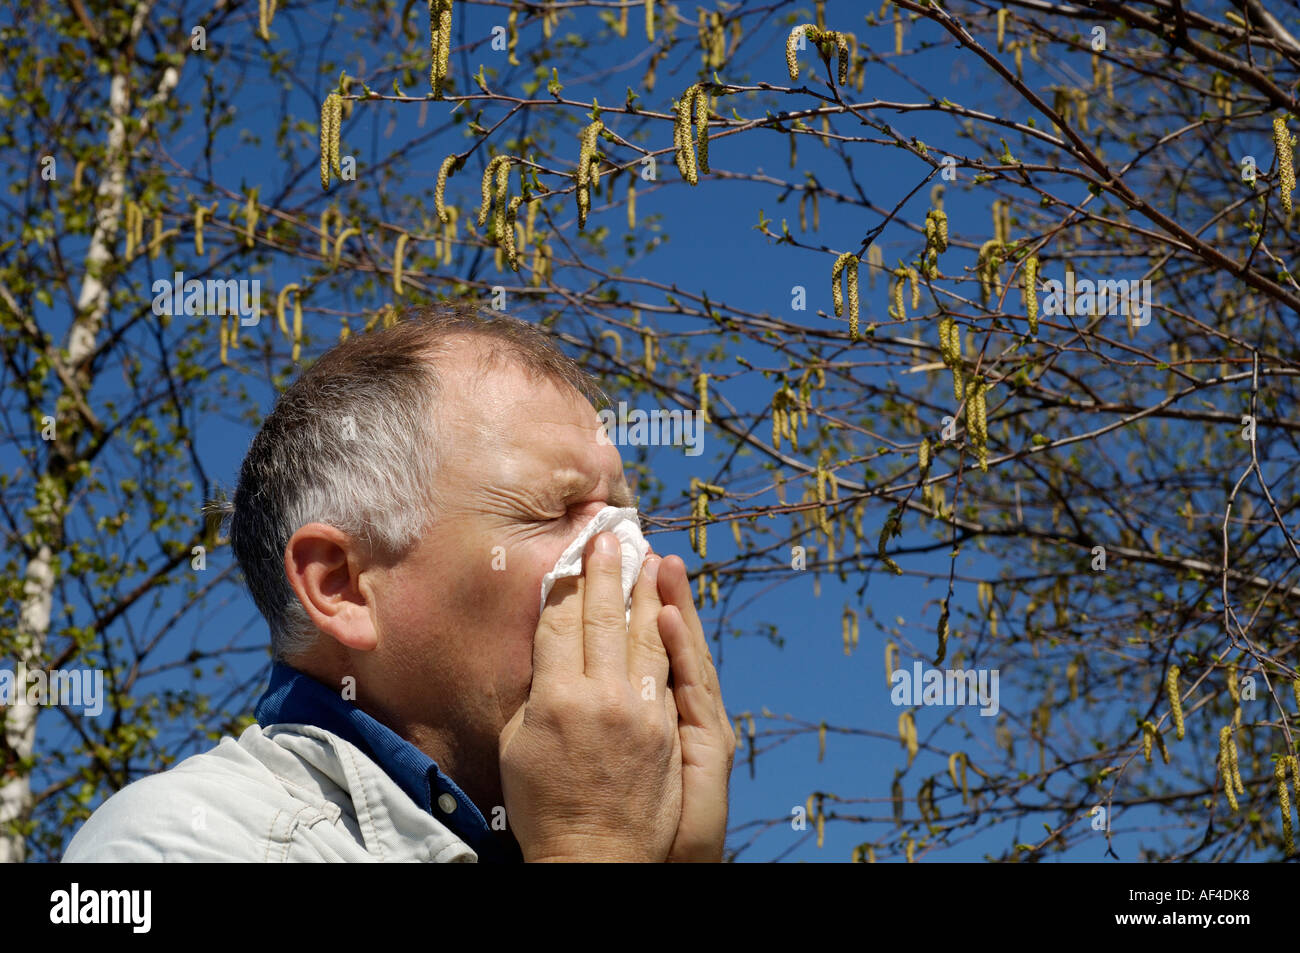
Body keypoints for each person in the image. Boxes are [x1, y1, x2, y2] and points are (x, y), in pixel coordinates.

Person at [63, 302, 734, 863]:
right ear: (344, 586)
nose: (629, 554)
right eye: (556, 511)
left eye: (627, 515)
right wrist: (594, 844)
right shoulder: (177, 840)